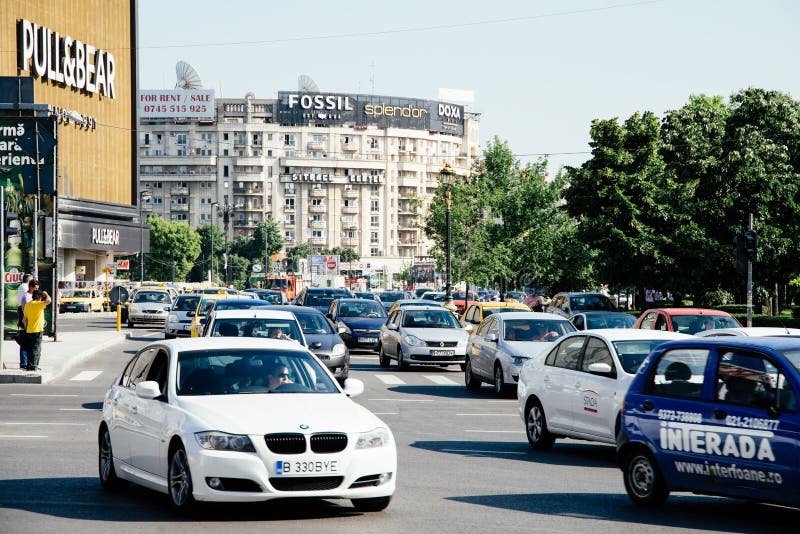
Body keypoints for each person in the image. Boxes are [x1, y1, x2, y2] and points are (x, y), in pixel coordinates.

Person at [23, 288, 51, 371]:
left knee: (30, 349)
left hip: (29, 329)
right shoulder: (39, 304)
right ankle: (34, 366)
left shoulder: (27, 305)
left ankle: (29, 365)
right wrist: (46, 293)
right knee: (36, 349)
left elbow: (25, 319)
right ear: (39, 297)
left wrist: (26, 328)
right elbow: (49, 300)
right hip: (37, 330)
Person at [17, 279, 39, 369]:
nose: (36, 290)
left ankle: (28, 363)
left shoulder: (33, 296)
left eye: (37, 288)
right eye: (35, 288)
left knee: (29, 343)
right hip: (27, 322)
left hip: (32, 323)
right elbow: (25, 311)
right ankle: (24, 363)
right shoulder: (27, 297)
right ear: (30, 287)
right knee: (25, 343)